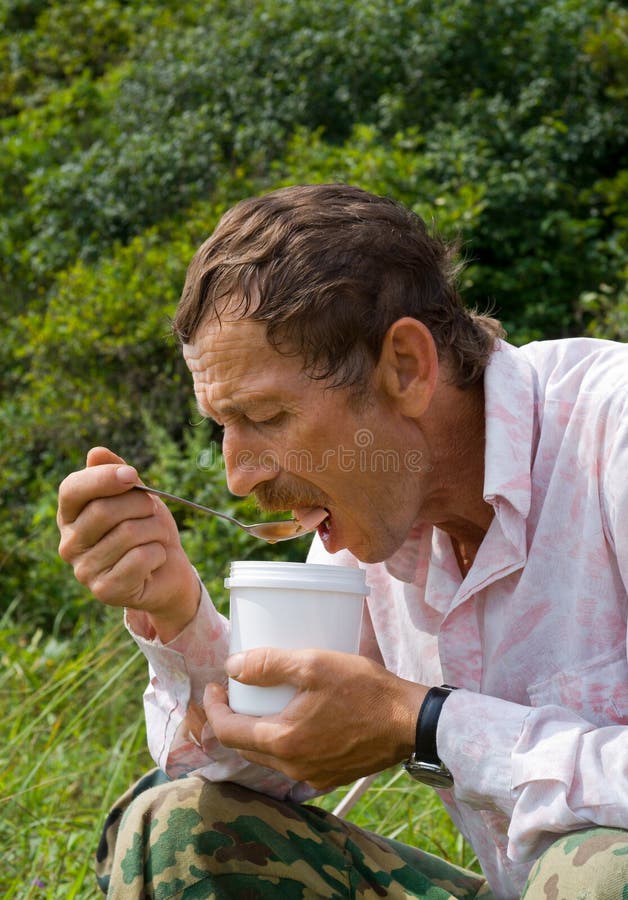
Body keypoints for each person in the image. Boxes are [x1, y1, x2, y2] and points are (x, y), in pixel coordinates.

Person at [57, 184, 628, 899]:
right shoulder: (370, 519)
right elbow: (277, 757)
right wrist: (175, 612)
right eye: (221, 426)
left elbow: (407, 723)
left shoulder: (612, 433)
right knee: (181, 827)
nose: (237, 476)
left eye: (265, 415)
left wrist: (424, 724)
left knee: (605, 874)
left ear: (407, 368)